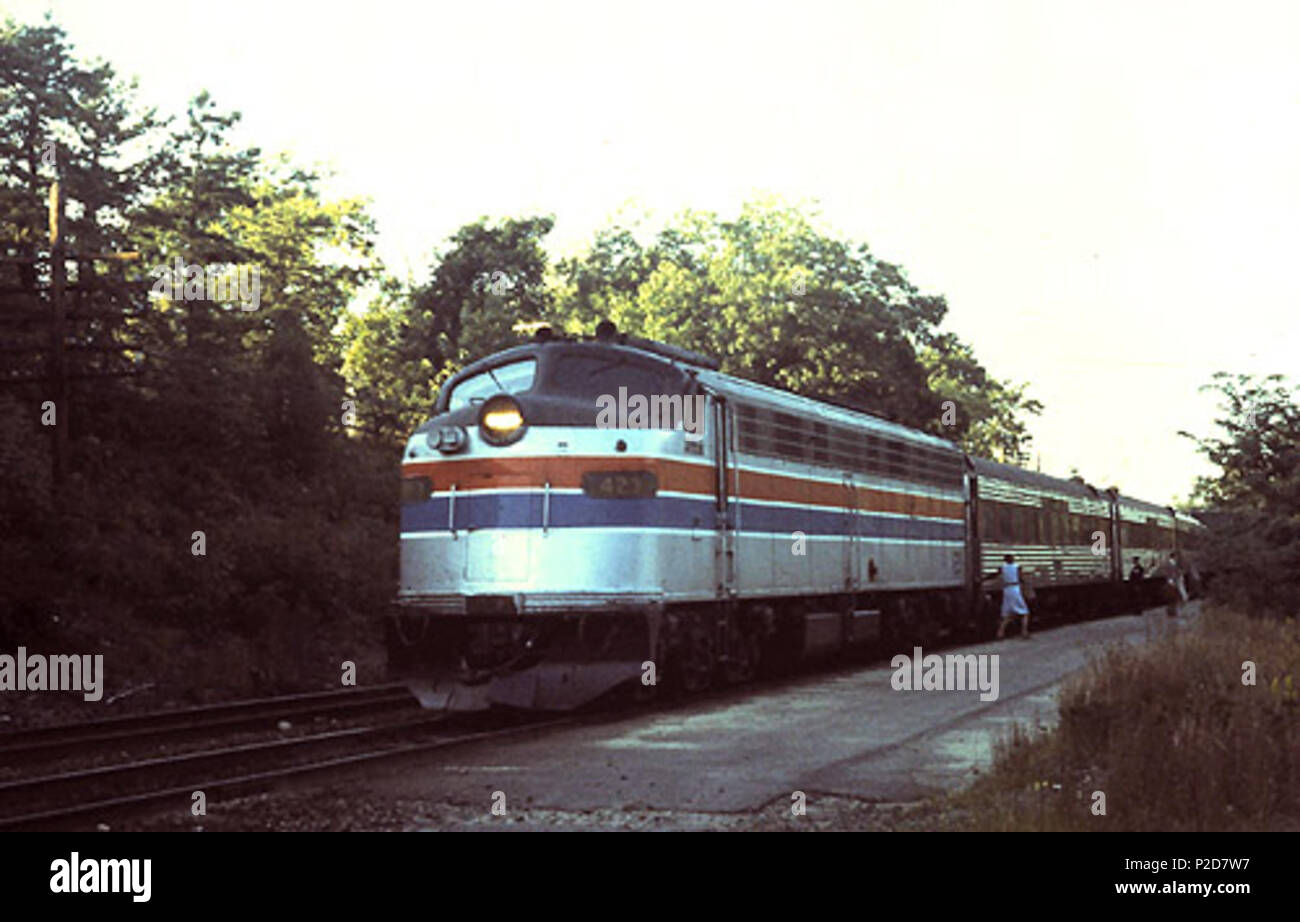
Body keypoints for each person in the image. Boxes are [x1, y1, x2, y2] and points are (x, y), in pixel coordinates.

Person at [992, 553, 1032, 640]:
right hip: (1015, 589)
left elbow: (994, 575)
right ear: (1012, 559)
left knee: (1007, 614)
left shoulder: (1002, 568)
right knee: (1025, 613)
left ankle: (1000, 633)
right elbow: (1021, 578)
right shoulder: (1017, 567)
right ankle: (1024, 632)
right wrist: (1027, 587)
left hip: (1006, 590)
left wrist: (983, 579)